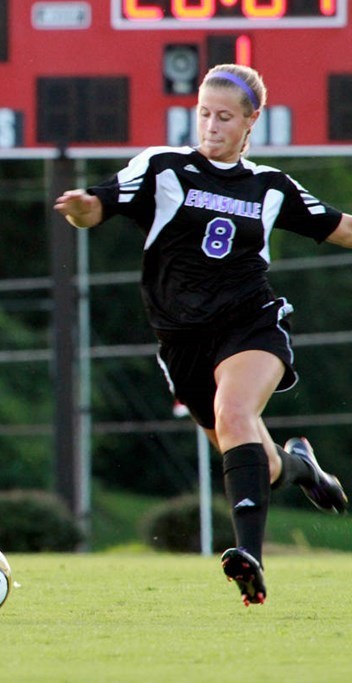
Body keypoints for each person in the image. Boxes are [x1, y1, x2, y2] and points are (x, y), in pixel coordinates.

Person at [55, 63, 350, 606]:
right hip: (182, 343)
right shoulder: (164, 168)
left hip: (249, 322)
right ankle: (302, 466)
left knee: (234, 414)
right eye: (204, 115)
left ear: (251, 121)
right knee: (258, 461)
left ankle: (250, 558)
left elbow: (344, 227)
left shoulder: (271, 187)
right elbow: (100, 205)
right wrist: (80, 211)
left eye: (224, 118)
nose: (211, 127)